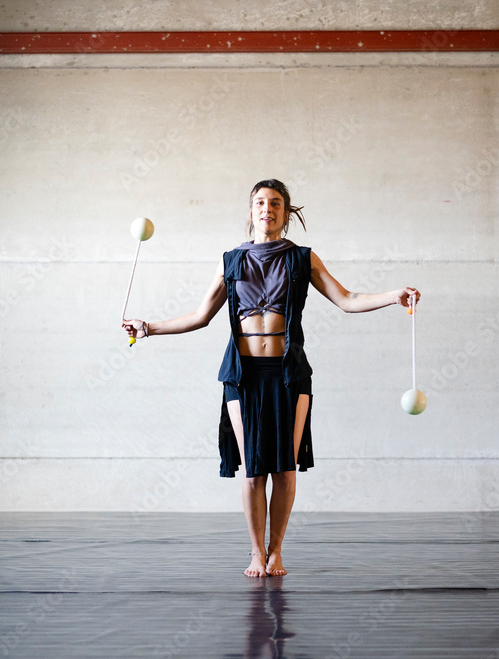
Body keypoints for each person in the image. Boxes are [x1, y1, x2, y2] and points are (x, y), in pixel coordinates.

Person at [122, 179, 419, 577]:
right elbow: (200, 316)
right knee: (252, 470)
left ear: (286, 212)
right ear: (251, 212)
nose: (267, 208)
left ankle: (276, 551)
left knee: (284, 468)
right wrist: (148, 328)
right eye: (259, 202)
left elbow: (347, 300)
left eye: (275, 202)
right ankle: (255, 553)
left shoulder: (303, 259)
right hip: (243, 376)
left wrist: (392, 295)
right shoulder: (230, 261)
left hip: (288, 375)